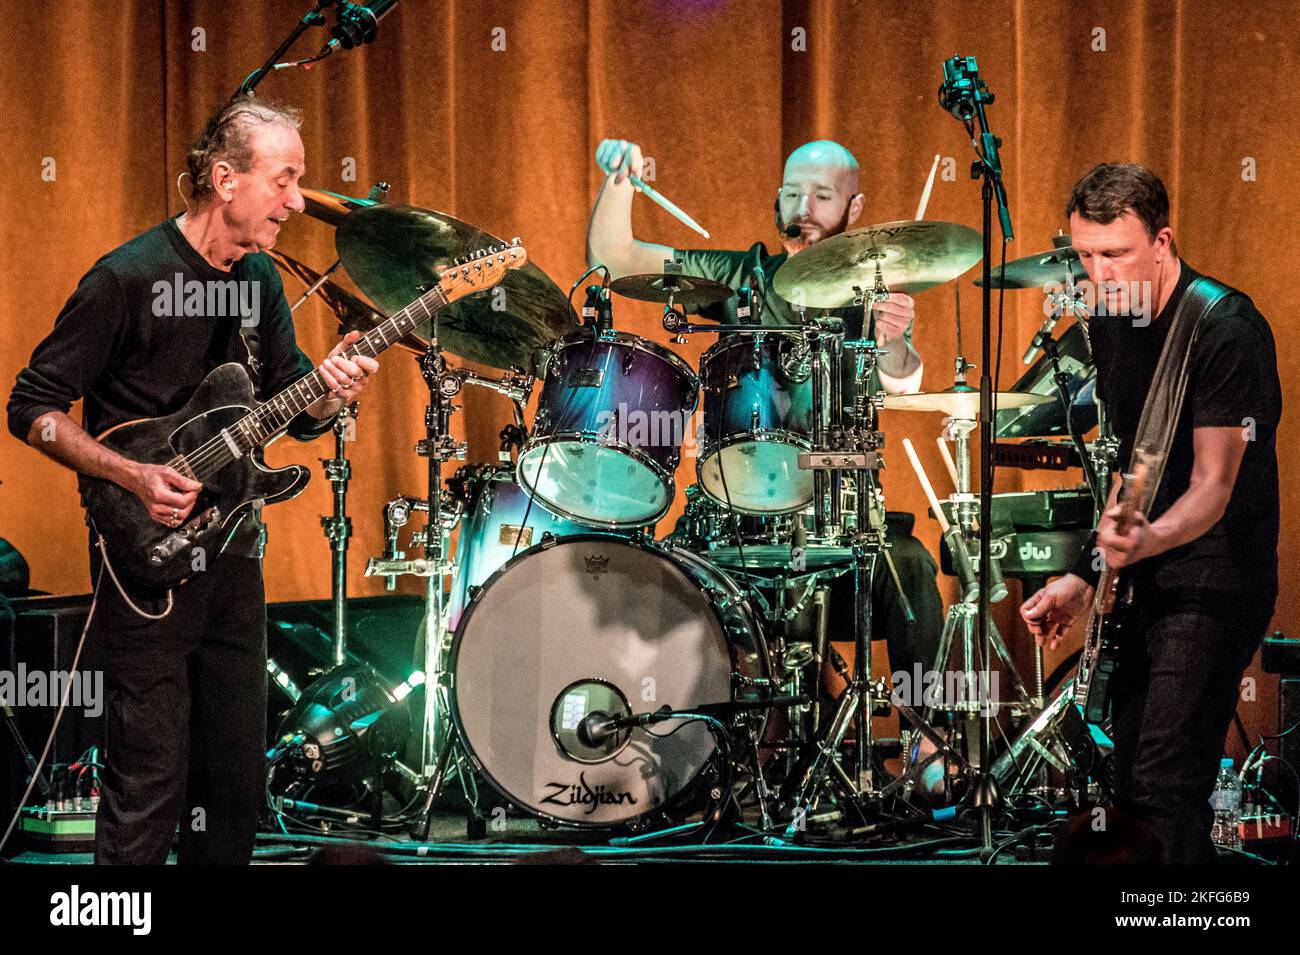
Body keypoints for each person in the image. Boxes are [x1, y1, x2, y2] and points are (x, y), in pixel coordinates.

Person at [6, 96, 379, 864]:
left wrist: (332, 392)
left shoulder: (261, 284)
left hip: (235, 553)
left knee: (232, 779)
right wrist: (130, 474)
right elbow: (31, 406)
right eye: (284, 179)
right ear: (224, 178)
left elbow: (293, 410)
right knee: (147, 775)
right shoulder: (126, 277)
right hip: (144, 560)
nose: (297, 200)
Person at [586, 138, 943, 724]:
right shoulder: (740, 275)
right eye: (794, 193)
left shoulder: (873, 289)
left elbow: (902, 382)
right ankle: (683, 754)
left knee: (911, 567)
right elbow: (615, 257)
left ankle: (926, 739)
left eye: (823, 195)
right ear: (777, 200)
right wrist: (621, 180)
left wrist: (895, 339)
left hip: (836, 524)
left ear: (853, 210)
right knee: (659, 575)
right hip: (735, 515)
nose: (805, 207)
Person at [1020, 163, 1281, 864]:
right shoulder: (1111, 323)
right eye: (1085, 255)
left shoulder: (1226, 329)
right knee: (1128, 781)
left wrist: (1148, 539)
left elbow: (1212, 485)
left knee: (1167, 781)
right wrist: (1085, 574)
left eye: (1115, 253)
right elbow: (1134, 466)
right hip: (1146, 576)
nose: (1097, 273)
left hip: (1215, 577)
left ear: (1162, 241)